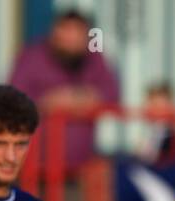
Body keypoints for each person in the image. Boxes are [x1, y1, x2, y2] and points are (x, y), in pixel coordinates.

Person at [8, 9, 120, 173]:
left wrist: (84, 97)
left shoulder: (94, 58)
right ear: (54, 33)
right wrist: (47, 102)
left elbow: (112, 93)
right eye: (66, 33)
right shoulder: (32, 56)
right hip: (31, 168)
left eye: (77, 35)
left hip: (79, 168)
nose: (71, 40)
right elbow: (12, 99)